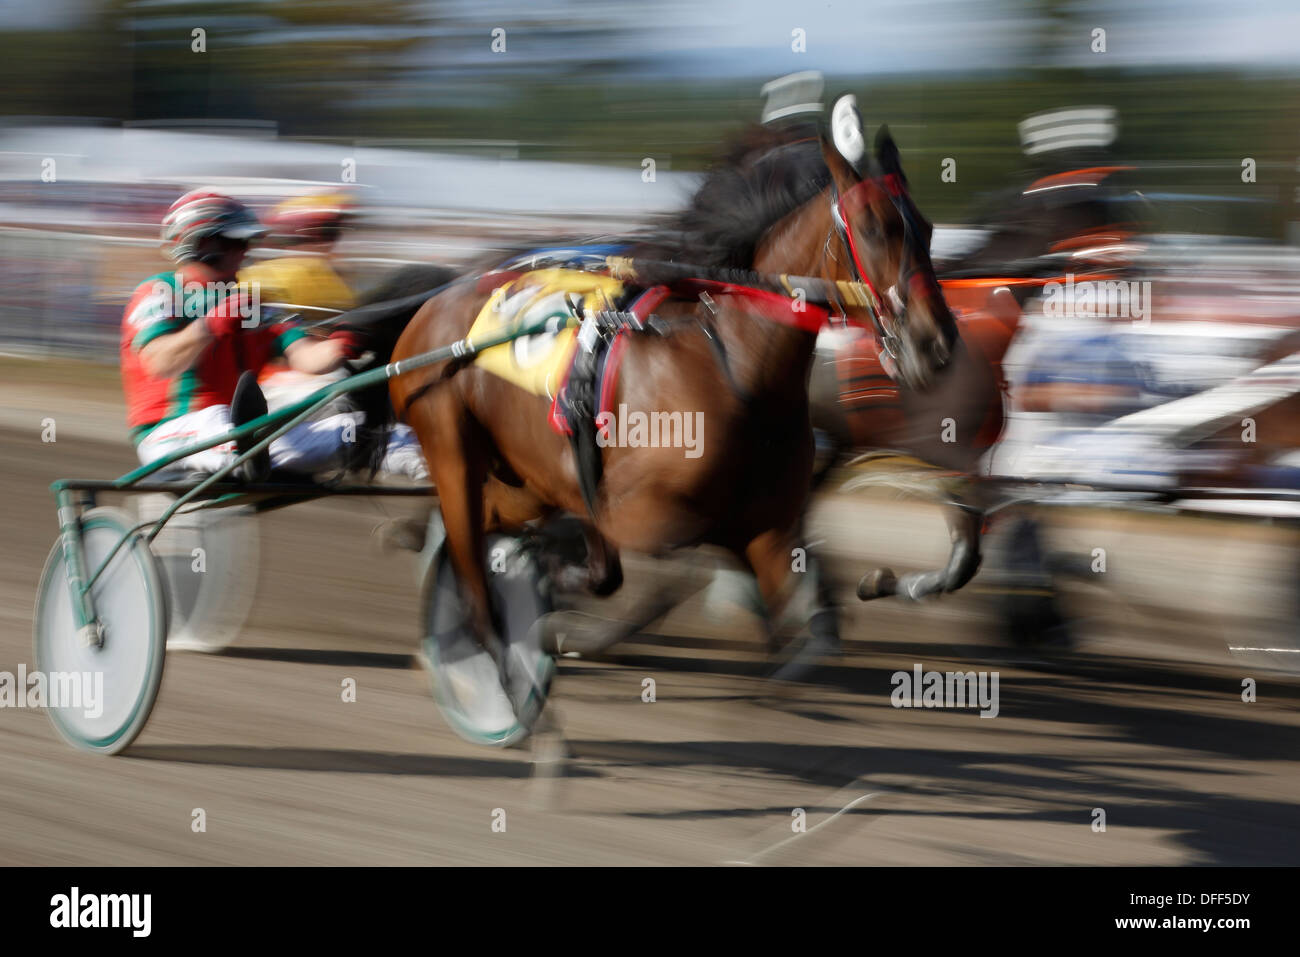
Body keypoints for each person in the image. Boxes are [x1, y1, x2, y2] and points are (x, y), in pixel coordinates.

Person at [121, 188, 427, 480]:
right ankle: (248, 454)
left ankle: (449, 483)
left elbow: (309, 359)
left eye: (246, 243)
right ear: (201, 244)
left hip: (249, 434)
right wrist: (210, 325)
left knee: (366, 430)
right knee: (220, 421)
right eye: (236, 242)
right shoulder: (160, 294)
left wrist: (346, 341)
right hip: (170, 434)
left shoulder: (252, 304)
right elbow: (160, 362)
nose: (245, 252)